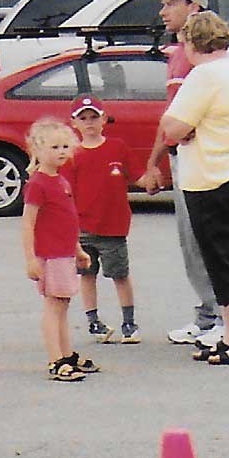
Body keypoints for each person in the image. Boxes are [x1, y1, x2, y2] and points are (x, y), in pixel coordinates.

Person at [157, 11, 229, 365]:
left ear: (191, 42)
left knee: (224, 262)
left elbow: (172, 126)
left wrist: (183, 127)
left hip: (212, 176)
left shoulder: (204, 75)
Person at [135, 0, 221, 348]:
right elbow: (171, 118)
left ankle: (218, 317)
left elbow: (183, 121)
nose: (163, 11)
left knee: (205, 240)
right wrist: (155, 162)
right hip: (185, 158)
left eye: (170, 4)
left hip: (203, 160)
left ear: (193, 7)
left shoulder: (196, 58)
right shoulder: (178, 53)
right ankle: (207, 315)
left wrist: (159, 159)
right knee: (191, 242)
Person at [22, 117, 96, 382]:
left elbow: (66, 221)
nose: (62, 152)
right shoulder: (38, 184)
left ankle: (67, 354)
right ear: (38, 150)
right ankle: (56, 360)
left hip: (64, 255)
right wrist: (31, 259)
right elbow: (28, 223)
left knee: (63, 306)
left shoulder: (61, 181)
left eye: (65, 146)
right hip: (50, 257)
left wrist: (78, 250)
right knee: (54, 308)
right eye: (54, 147)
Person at [64, 96, 138, 344]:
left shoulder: (117, 148)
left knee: (120, 274)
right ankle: (93, 321)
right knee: (87, 274)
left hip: (113, 227)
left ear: (104, 119)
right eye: (83, 119)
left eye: (94, 117)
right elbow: (67, 192)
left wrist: (151, 179)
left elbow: (135, 175)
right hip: (83, 227)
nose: (89, 123)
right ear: (74, 123)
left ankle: (129, 321)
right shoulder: (72, 155)